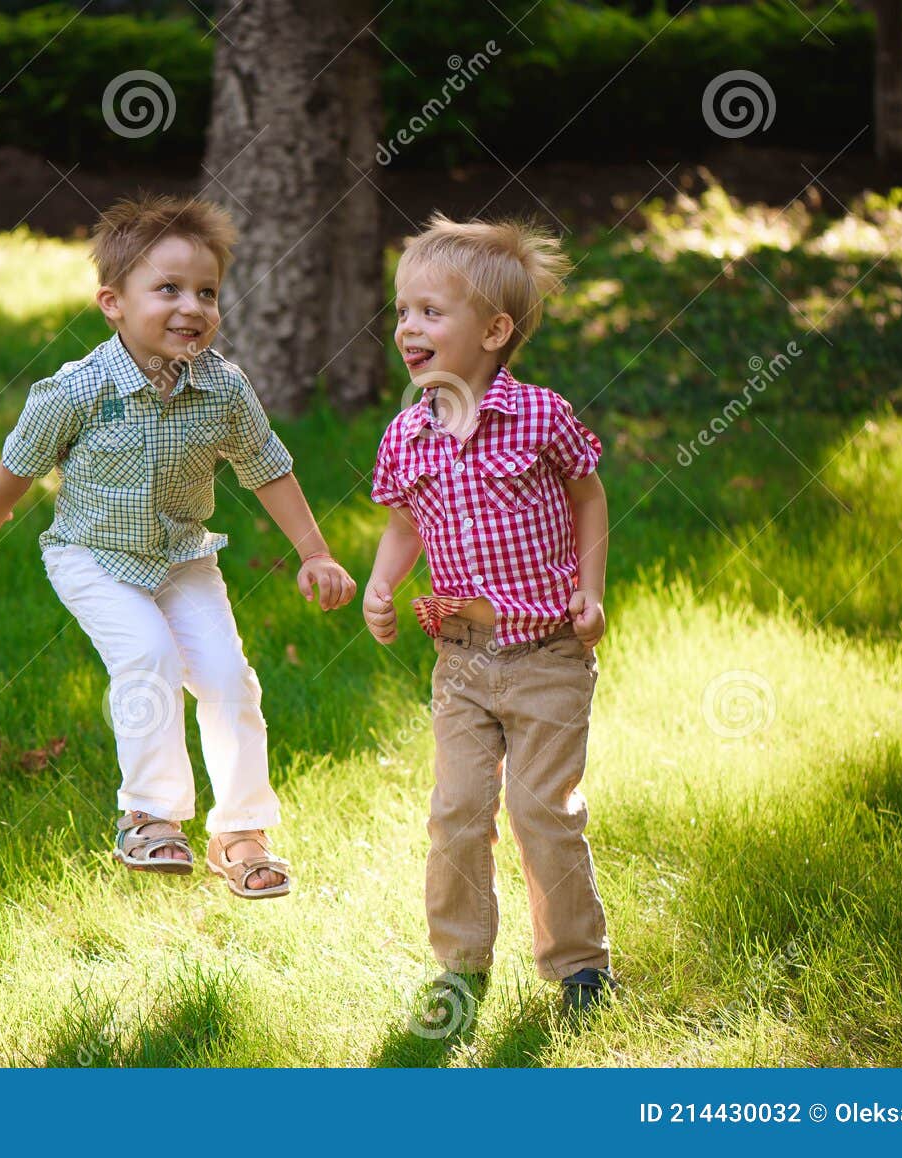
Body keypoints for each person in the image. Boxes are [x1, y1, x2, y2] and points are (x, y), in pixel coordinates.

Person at [0, 194, 355, 899]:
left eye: (206, 292)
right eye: (167, 289)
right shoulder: (76, 389)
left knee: (229, 678)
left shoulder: (223, 388)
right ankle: (150, 816)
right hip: (91, 557)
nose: (191, 307)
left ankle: (241, 833)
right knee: (148, 656)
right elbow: (21, 462)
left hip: (183, 559)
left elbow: (269, 467)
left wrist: (315, 551)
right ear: (113, 302)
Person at [364, 213, 615, 1012]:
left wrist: (590, 586)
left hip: (547, 652)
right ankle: (461, 966)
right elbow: (405, 520)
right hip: (463, 655)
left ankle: (580, 967)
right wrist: (380, 583)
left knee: (543, 811)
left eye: (431, 312)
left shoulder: (540, 415)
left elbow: (588, 492)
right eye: (404, 311)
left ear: (495, 330)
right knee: (458, 812)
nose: (409, 327)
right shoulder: (406, 435)